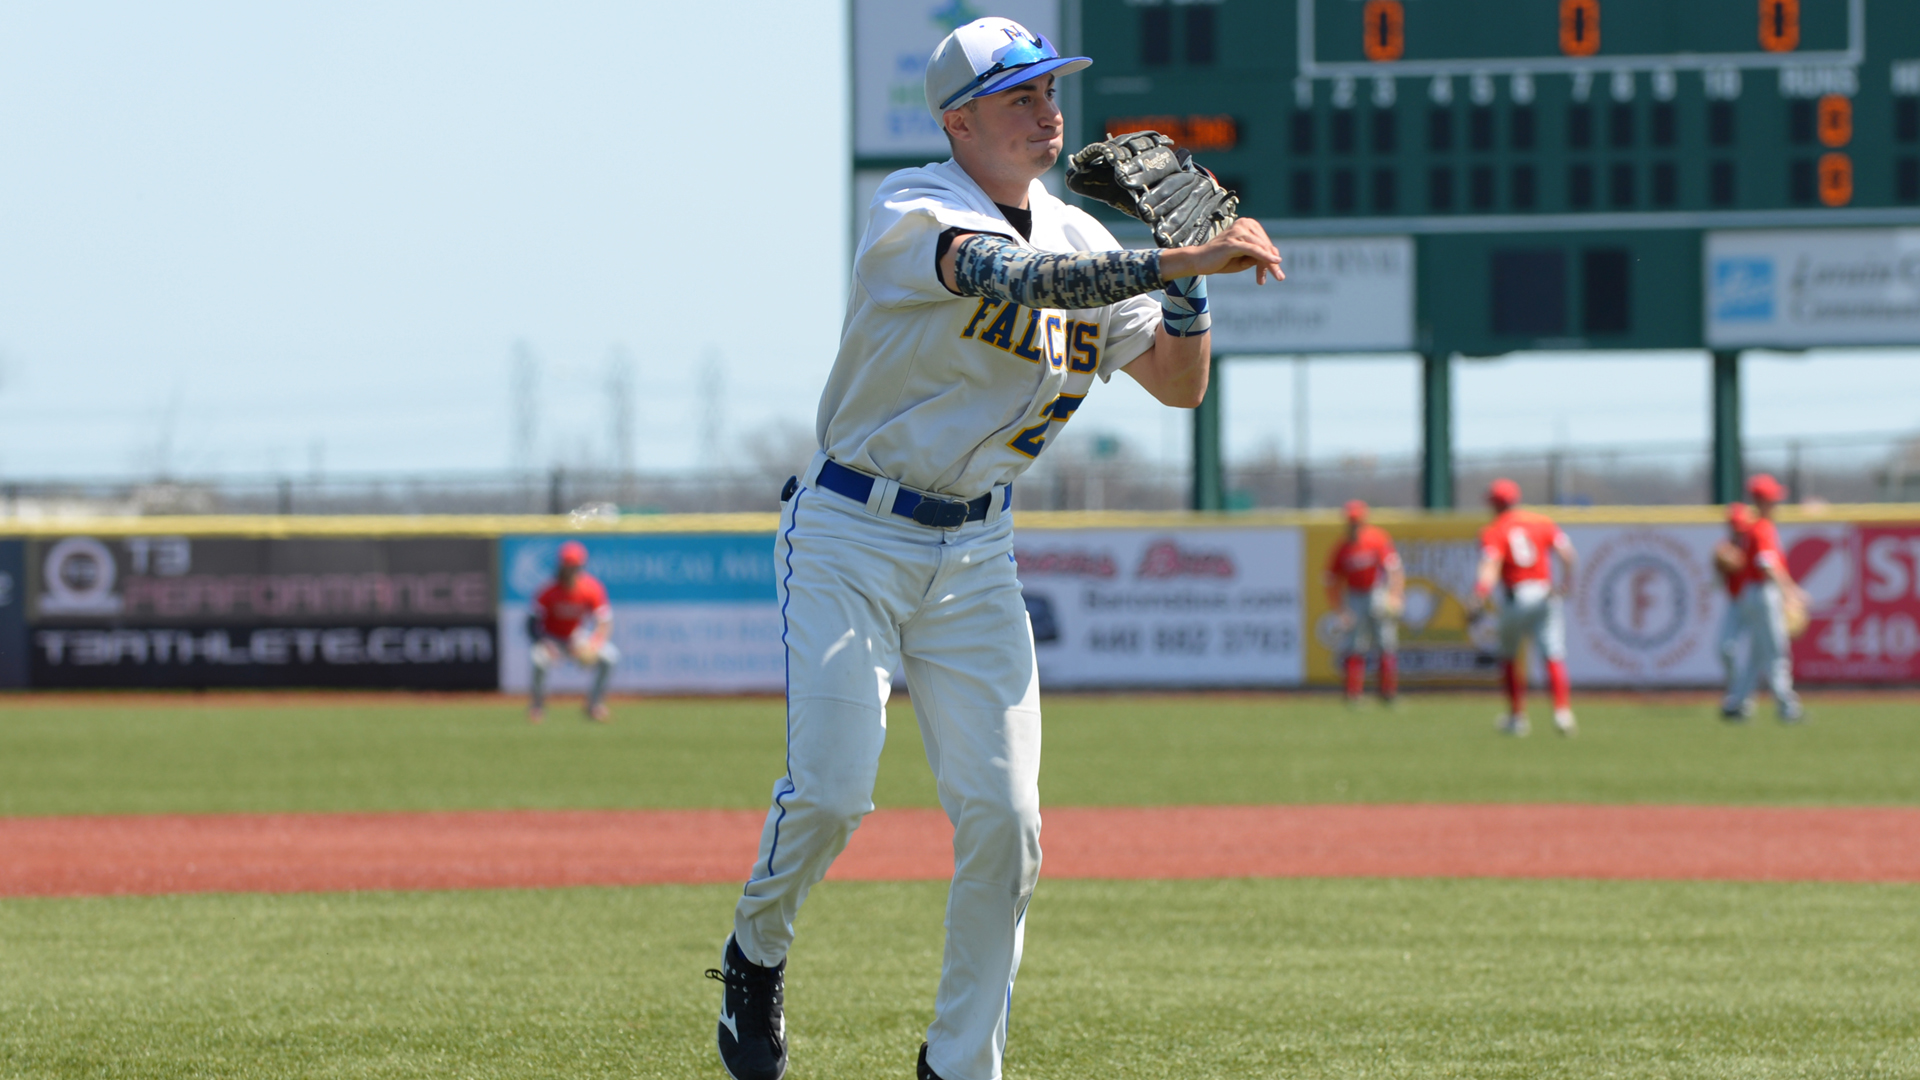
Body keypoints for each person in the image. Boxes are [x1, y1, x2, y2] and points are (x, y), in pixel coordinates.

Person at [703, 17, 1283, 1080]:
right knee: (831, 795)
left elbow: (1179, 386)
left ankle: (959, 1064)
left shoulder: (1085, 235)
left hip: (977, 552)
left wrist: (1190, 288)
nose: (1047, 110)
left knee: (1009, 823)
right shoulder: (913, 207)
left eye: (1050, 89)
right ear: (958, 121)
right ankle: (756, 949)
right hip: (851, 533)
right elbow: (1013, 279)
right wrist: (1172, 256)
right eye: (1019, 94)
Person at [1470, 478, 1579, 737]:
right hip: (1544, 593)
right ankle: (1562, 713)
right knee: (1553, 654)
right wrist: (1566, 584)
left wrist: (1479, 594)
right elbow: (1568, 554)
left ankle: (1517, 718)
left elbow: (1490, 566)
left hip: (1516, 597)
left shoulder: (1494, 529)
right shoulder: (1541, 521)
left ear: (1494, 504)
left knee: (1508, 656)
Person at [1721, 474, 1806, 723]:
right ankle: (1787, 706)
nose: (1777, 503)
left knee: (1758, 654)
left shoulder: (1753, 528)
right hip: (1763, 592)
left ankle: (1738, 703)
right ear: (1763, 501)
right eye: (1773, 499)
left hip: (1752, 594)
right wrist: (1790, 592)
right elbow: (1767, 565)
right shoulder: (1761, 528)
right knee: (1776, 652)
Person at [526, 540, 616, 724]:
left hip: (576, 637)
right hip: (551, 638)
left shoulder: (591, 588)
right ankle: (537, 707)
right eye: (568, 565)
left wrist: (594, 643)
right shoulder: (548, 591)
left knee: (610, 658)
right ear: (561, 565)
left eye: (575, 565)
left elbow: (604, 621)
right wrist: (544, 643)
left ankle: (594, 705)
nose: (572, 569)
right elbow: (531, 624)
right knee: (537, 660)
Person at [1326, 499, 1404, 704]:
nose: (1354, 525)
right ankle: (1353, 694)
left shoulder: (1377, 539)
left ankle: (1388, 693)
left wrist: (1395, 595)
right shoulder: (1343, 547)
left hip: (1377, 593)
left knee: (1386, 642)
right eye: (1351, 521)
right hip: (1354, 596)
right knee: (1354, 645)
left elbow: (1394, 570)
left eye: (1357, 521)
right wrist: (1340, 610)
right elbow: (1331, 580)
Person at [1713, 502, 1753, 695]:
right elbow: (1717, 584)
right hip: (1736, 604)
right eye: (1734, 525)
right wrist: (1719, 567)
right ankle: (1737, 692)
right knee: (1725, 648)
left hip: (1756, 604)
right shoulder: (1724, 547)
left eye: (1740, 525)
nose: (1737, 529)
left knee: (1764, 654)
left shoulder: (1754, 542)